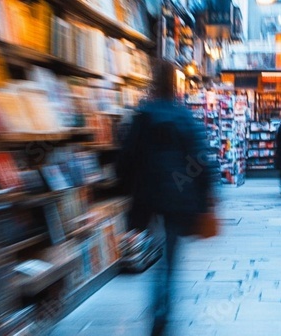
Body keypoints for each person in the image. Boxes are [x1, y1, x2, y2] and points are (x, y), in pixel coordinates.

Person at [115, 58, 217, 336]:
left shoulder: (142, 115)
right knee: (170, 255)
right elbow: (200, 158)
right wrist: (208, 192)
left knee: (153, 246)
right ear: (174, 85)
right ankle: (164, 309)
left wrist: (123, 187)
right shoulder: (183, 116)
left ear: (152, 82)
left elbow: (126, 156)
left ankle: (156, 302)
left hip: (147, 195)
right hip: (178, 196)